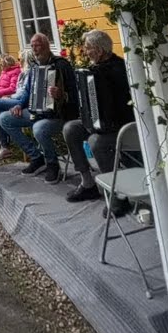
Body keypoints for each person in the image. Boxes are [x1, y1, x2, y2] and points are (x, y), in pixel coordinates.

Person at [62, 30, 137, 206]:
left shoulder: (120, 69)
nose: (85, 52)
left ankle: (117, 194)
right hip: (100, 124)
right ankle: (88, 183)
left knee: (96, 141)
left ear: (99, 50)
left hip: (122, 127)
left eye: (87, 48)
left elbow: (123, 107)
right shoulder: (93, 71)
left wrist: (102, 122)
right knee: (71, 128)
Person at [0, 33, 79, 183]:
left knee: (39, 128)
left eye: (38, 45)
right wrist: (19, 105)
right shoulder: (34, 67)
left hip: (59, 115)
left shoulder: (61, 65)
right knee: (5, 119)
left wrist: (62, 94)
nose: (35, 49)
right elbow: (28, 92)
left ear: (47, 46)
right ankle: (37, 157)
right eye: (32, 46)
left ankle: (52, 164)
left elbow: (76, 93)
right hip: (37, 112)